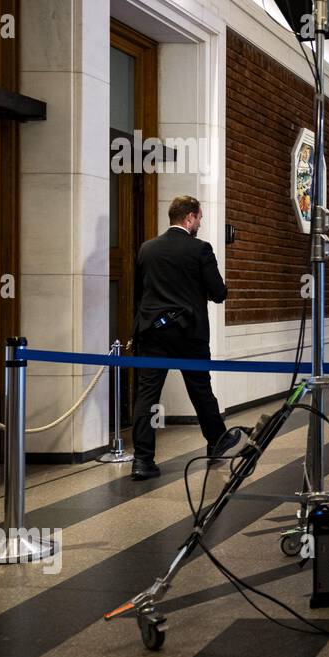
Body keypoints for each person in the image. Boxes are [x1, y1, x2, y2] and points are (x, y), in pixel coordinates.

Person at [129, 196, 240, 480]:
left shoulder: (147, 249)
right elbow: (218, 293)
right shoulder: (199, 249)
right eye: (199, 218)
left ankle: (142, 461)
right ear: (189, 217)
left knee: (147, 396)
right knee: (200, 389)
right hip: (189, 334)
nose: (199, 224)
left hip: (152, 332)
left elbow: (140, 294)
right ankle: (216, 440)